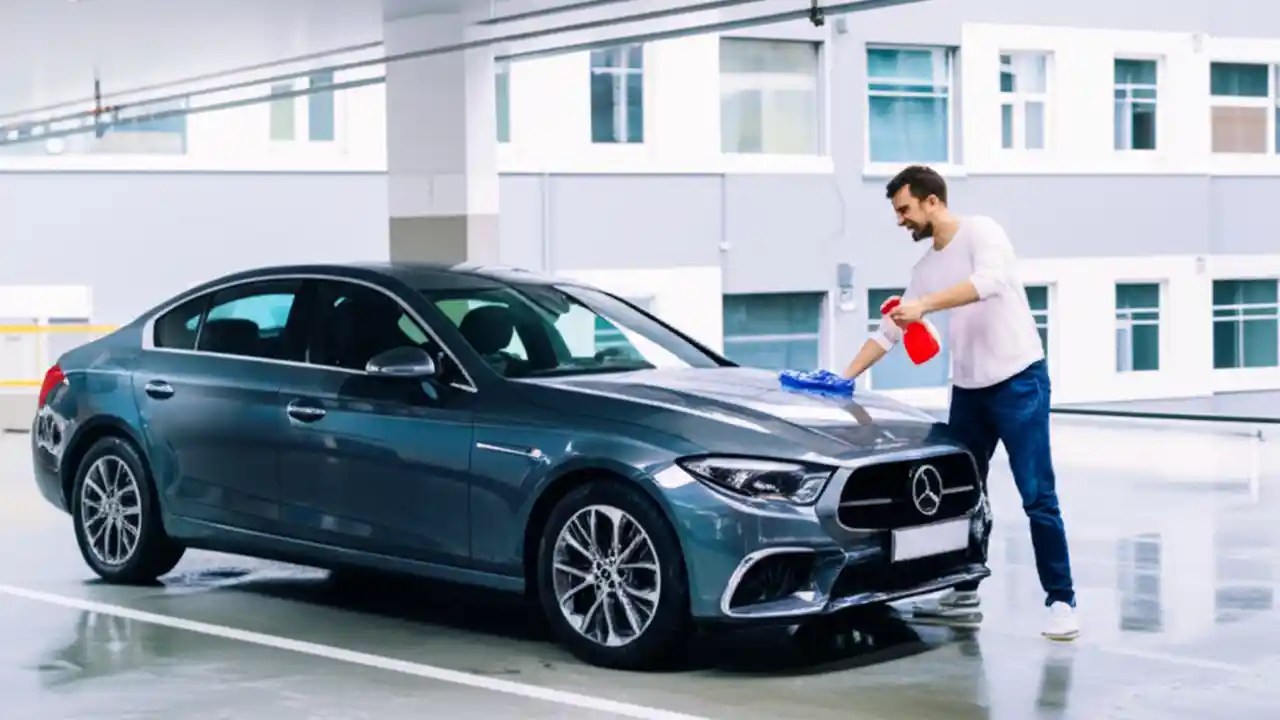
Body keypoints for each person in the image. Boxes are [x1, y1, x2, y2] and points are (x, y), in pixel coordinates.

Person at [839, 164, 1079, 641]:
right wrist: (839, 379)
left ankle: (1062, 601)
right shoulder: (924, 269)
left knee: (1038, 495)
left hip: (1018, 380)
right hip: (969, 391)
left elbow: (989, 282)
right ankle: (964, 592)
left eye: (905, 209)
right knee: (964, 496)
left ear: (932, 201)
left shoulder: (983, 232)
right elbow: (890, 332)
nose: (901, 220)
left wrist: (925, 307)